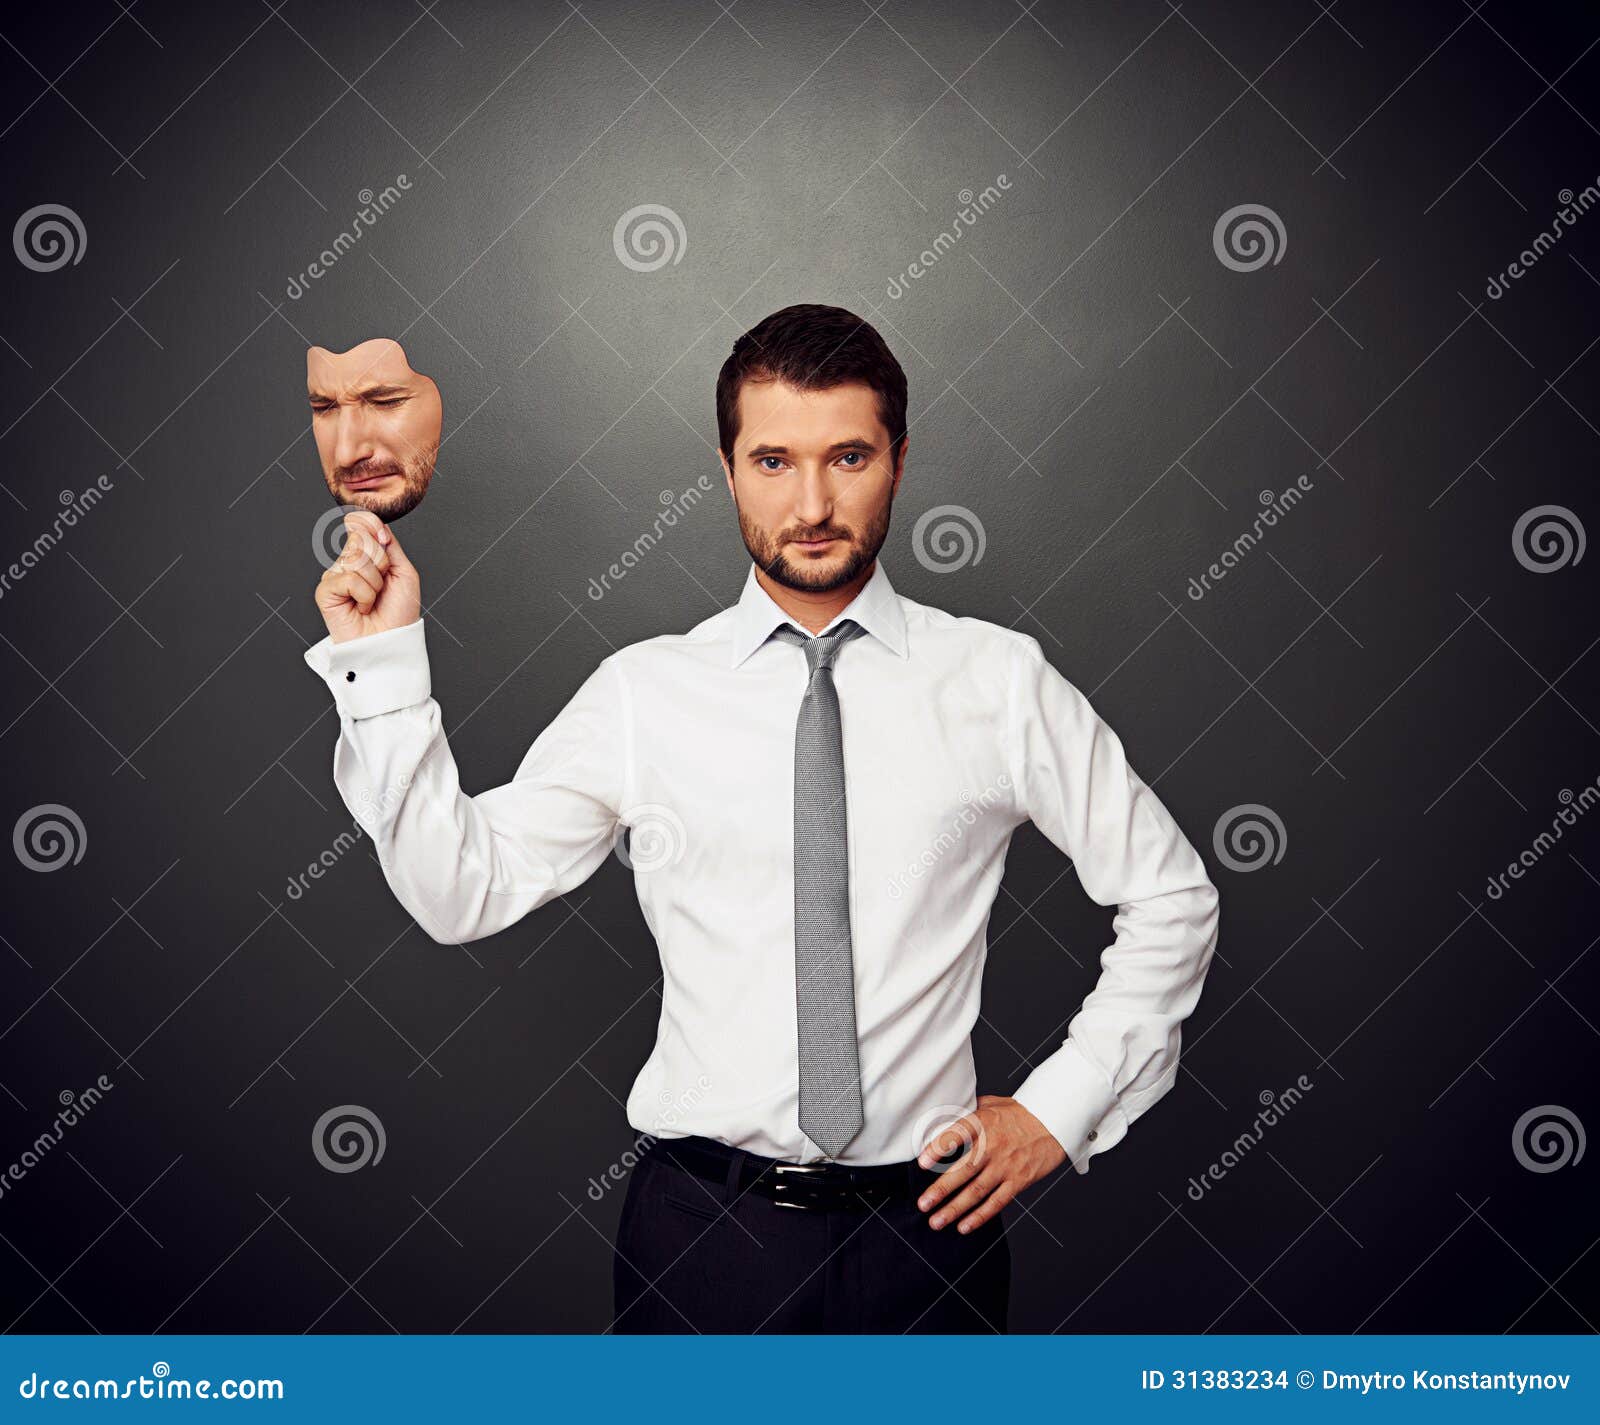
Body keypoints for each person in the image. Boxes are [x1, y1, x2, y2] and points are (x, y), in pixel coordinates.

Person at [301, 303, 1220, 1333]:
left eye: (850, 457)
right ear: (729, 469)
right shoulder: (643, 694)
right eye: (774, 460)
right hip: (702, 1244)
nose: (814, 501)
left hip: (931, 1241)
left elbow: (1170, 896)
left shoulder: (997, 682)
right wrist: (381, 668)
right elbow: (456, 893)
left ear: (900, 462)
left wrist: (1061, 1109)